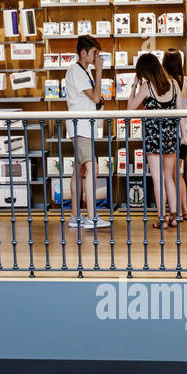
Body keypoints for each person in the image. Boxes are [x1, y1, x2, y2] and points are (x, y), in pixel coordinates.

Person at [126, 52, 182, 229]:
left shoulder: (147, 87)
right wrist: (183, 137)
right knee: (169, 178)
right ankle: (174, 217)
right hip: (171, 136)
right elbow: (181, 113)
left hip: (152, 136)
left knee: (157, 178)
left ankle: (161, 218)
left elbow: (130, 108)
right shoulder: (174, 84)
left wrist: (134, 86)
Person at [64, 35, 109, 229]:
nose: (97, 57)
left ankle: (75, 216)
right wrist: (99, 71)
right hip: (81, 126)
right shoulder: (77, 70)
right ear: (83, 53)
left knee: (79, 171)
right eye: (94, 53)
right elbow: (96, 96)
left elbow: (95, 99)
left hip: (82, 126)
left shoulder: (83, 71)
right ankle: (92, 217)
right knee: (93, 167)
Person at [161, 48, 187, 222]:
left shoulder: (164, 82)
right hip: (185, 132)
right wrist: (185, 109)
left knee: (168, 174)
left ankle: (173, 211)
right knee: (178, 173)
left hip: (168, 130)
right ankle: (184, 211)